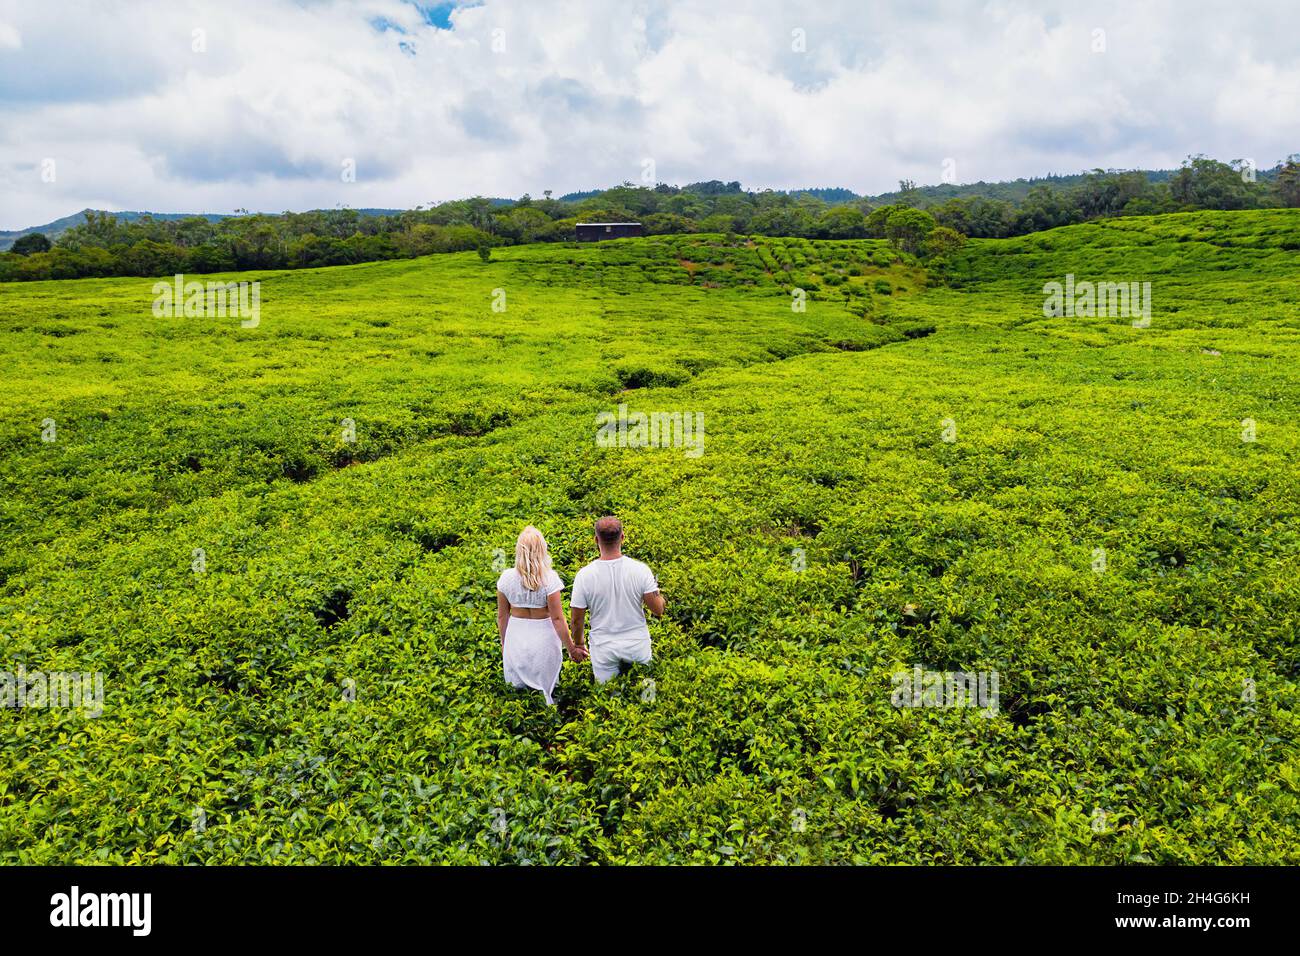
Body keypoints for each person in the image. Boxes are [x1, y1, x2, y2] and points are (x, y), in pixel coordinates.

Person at [496, 526, 587, 705]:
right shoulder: (549, 579)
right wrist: (572, 648)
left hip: (516, 638)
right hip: (544, 641)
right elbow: (558, 619)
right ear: (542, 550)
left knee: (518, 696)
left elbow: (502, 616)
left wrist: (505, 644)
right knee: (546, 689)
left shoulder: (506, 578)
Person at [570, 516, 665, 683]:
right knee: (648, 695)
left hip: (603, 648)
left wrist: (578, 645)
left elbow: (577, 620)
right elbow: (658, 609)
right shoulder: (640, 570)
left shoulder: (584, 576)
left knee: (608, 698)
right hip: (638, 645)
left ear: (596, 539)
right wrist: (657, 592)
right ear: (622, 537)